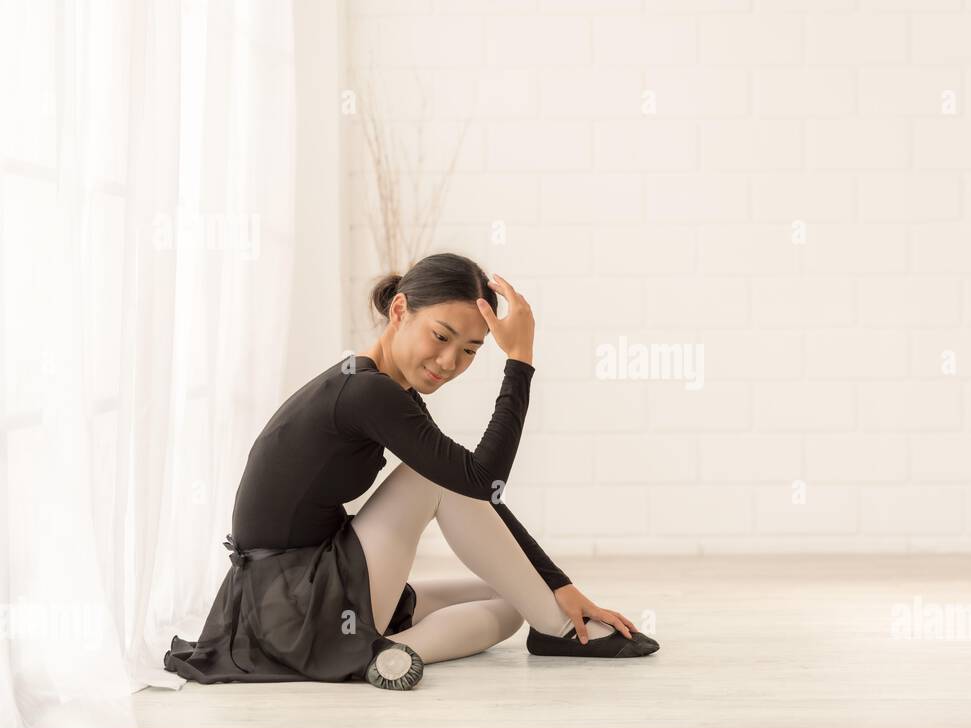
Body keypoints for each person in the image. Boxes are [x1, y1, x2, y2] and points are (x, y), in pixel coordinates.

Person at [163, 253, 659, 691]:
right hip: (296, 599)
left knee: (512, 601)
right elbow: (481, 480)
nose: (449, 361)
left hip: (302, 594)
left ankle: (396, 654)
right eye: (441, 337)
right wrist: (520, 361)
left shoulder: (387, 392)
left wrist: (560, 585)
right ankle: (560, 631)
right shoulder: (367, 392)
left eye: (469, 351)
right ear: (400, 310)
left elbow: (481, 494)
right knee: (436, 481)